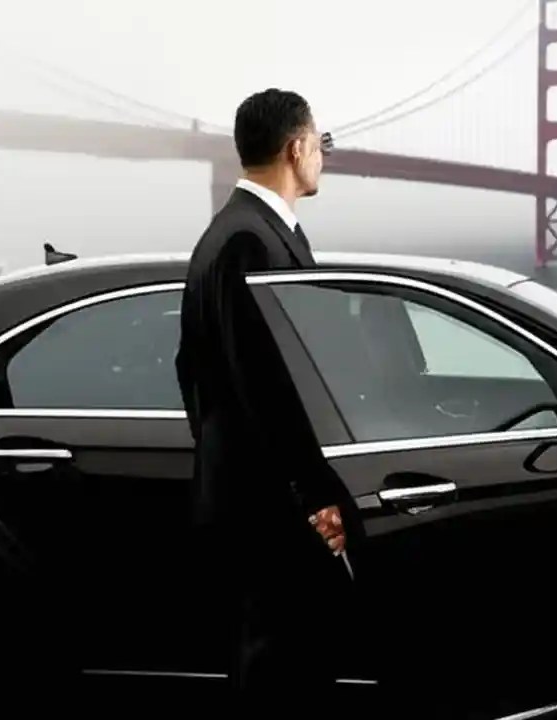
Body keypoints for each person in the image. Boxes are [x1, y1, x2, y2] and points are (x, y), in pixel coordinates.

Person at [175, 88, 361, 691]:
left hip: (252, 491)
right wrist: (314, 491)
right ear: (296, 146)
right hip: (268, 504)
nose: (322, 157)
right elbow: (270, 382)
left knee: (282, 661)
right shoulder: (249, 241)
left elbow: (191, 369)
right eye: (321, 143)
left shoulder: (238, 231)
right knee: (278, 670)